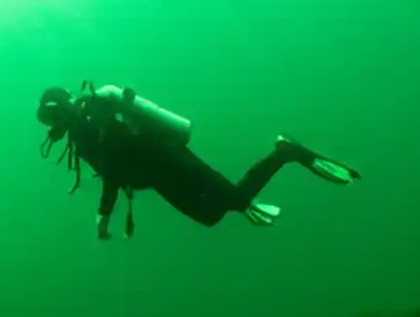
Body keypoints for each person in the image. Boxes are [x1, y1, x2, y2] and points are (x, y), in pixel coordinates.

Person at [35, 82, 361, 240]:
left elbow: (114, 165)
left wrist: (103, 214)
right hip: (158, 178)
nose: (54, 124)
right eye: (50, 120)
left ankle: (286, 152)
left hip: (170, 157)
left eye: (54, 115)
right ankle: (248, 192)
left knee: (233, 200)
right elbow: (113, 170)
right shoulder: (82, 137)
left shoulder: (95, 114)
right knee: (210, 215)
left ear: (62, 106)